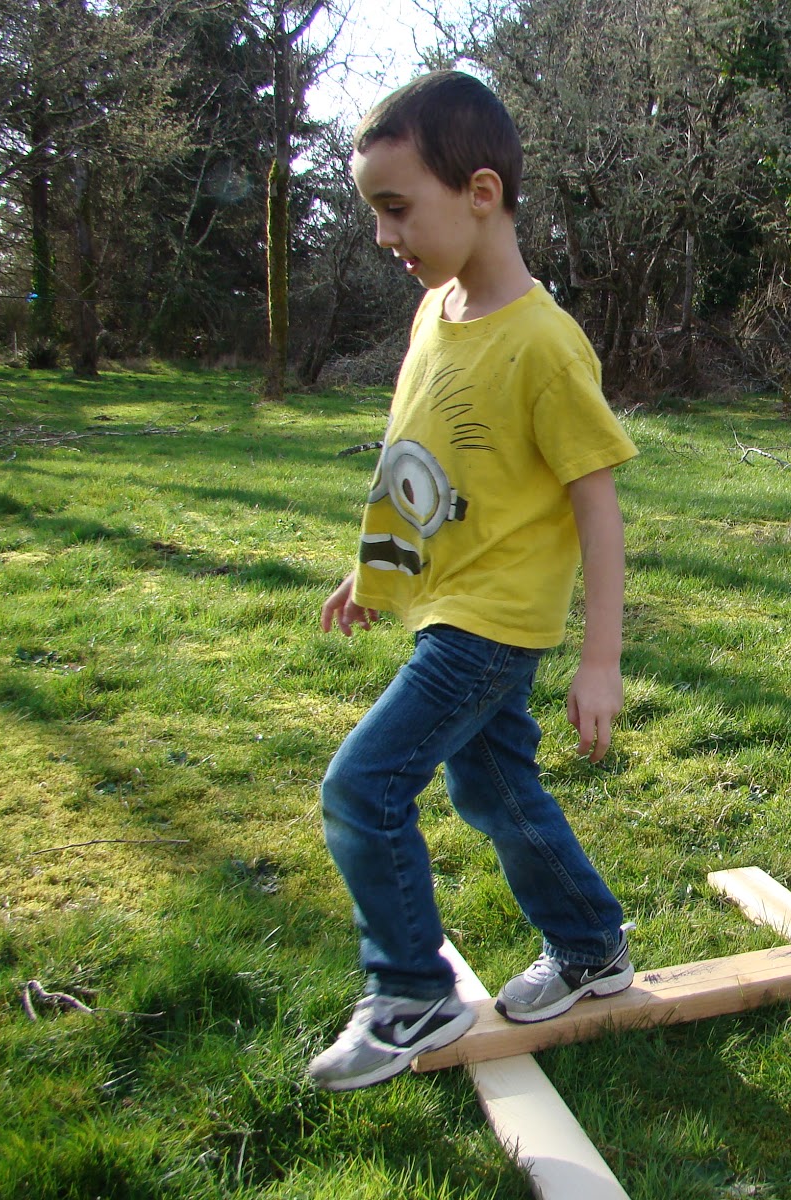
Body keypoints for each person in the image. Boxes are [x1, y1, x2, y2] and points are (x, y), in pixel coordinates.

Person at [307, 71, 638, 1091]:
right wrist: (373, 572)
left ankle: (410, 994)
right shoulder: (436, 316)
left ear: (480, 192)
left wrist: (600, 661)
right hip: (446, 605)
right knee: (492, 786)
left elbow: (597, 508)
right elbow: (419, 462)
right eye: (374, 211)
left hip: (492, 625)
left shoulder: (542, 344)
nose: (381, 234)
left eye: (396, 207)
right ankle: (589, 946)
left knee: (362, 789)